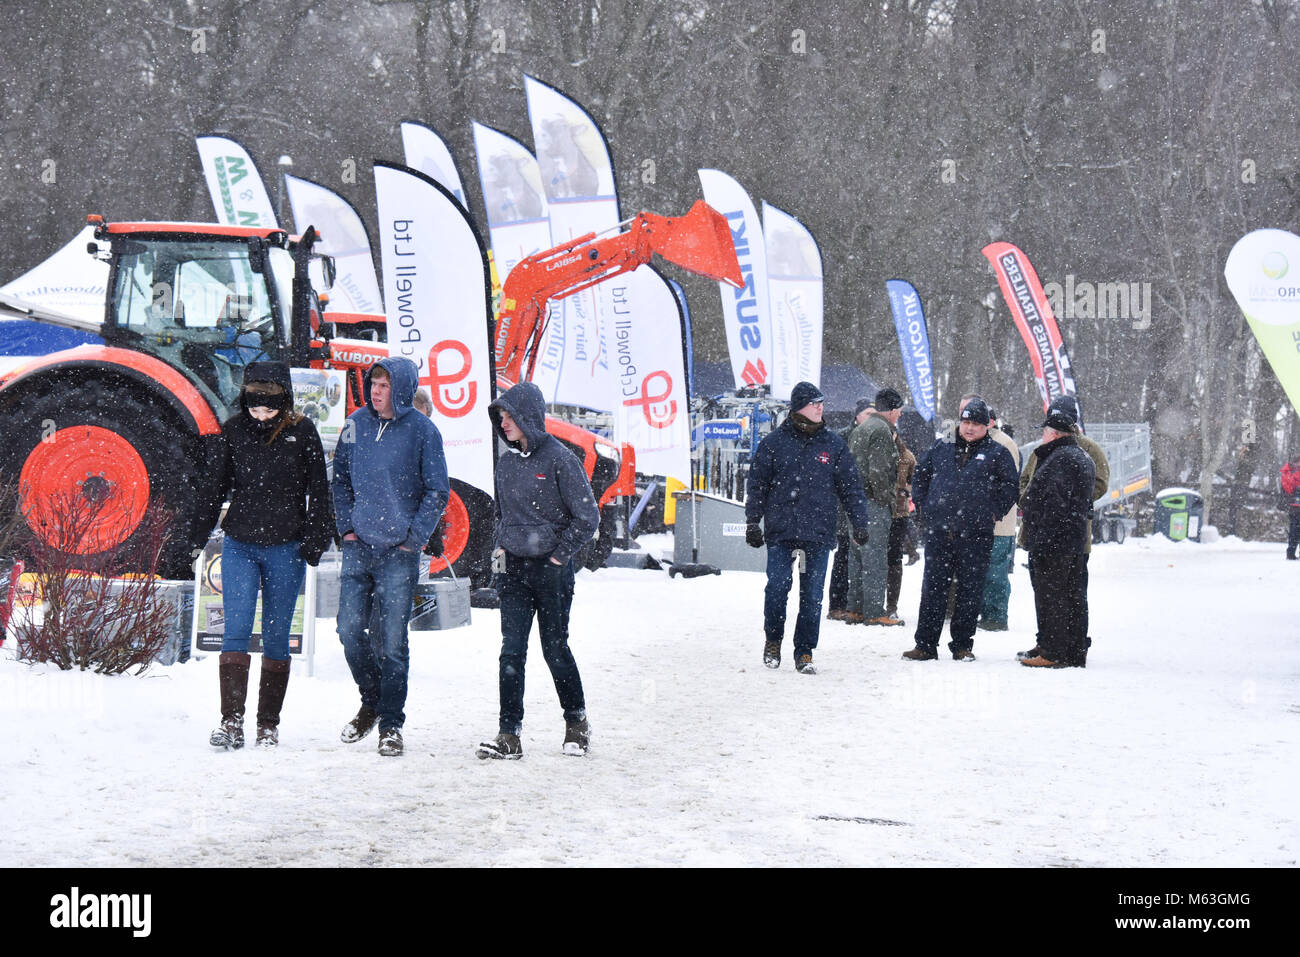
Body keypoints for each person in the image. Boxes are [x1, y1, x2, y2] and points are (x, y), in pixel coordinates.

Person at [202, 361, 333, 750]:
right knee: (236, 630)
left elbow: (320, 491)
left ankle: (268, 724)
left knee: (277, 637)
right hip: (240, 543)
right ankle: (231, 721)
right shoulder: (234, 431)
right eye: (255, 409)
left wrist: (315, 538)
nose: (261, 416)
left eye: (269, 410)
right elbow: (214, 487)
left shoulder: (302, 432)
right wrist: (193, 536)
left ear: (284, 402)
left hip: (286, 547)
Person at [476, 382, 600, 760]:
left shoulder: (561, 459)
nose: (504, 422)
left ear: (528, 416)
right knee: (511, 652)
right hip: (513, 571)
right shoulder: (507, 463)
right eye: (501, 416)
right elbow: (502, 517)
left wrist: (559, 558)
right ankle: (508, 734)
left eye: (509, 415)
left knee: (554, 648)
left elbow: (588, 517)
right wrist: (499, 561)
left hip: (551, 573)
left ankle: (576, 723)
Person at [333, 357, 449, 758]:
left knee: (394, 644)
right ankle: (373, 699)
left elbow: (438, 490)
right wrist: (346, 528)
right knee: (348, 630)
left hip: (399, 552)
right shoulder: (355, 424)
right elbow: (341, 480)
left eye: (384, 385)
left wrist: (414, 538)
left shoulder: (423, 431)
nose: (376, 391)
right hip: (358, 547)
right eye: (374, 384)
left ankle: (390, 724)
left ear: (400, 388)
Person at [745, 381, 871, 674]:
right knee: (777, 589)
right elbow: (757, 485)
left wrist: (860, 522)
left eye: (821, 402)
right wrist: (753, 520)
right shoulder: (774, 443)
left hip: (818, 533)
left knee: (812, 596)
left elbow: (852, 488)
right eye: (814, 403)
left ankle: (804, 652)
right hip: (782, 532)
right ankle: (773, 641)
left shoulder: (834, 445)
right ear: (799, 406)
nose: (820, 407)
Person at [903, 397, 1019, 662]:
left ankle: (962, 646)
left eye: (976, 424)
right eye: (966, 422)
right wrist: (923, 505)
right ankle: (925, 644)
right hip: (940, 531)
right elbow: (921, 474)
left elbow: (1010, 487)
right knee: (933, 588)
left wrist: (993, 511)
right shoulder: (942, 445)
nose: (969, 428)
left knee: (970, 589)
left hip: (976, 533)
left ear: (987, 426)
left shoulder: (997, 452)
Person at [1015, 395, 1109, 663]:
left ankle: (1067, 646)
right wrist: (1029, 496)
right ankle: (1047, 642)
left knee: (1068, 593)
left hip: (1066, 533)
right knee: (1045, 590)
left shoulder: (1085, 450)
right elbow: (1028, 480)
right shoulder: (1044, 451)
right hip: (1052, 531)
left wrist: (1072, 500)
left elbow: (1097, 484)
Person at [847, 388, 905, 626]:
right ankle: (873, 610)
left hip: (856, 501)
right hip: (873, 503)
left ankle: (856, 608)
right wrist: (885, 500)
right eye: (899, 412)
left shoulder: (861, 428)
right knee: (875, 556)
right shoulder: (882, 430)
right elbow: (879, 472)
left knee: (857, 555)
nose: (899, 417)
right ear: (891, 411)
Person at [977, 407, 1021, 631]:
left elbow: (1009, 484)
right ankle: (989, 613)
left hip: (999, 522)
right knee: (989, 570)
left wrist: (996, 510)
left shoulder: (1003, 444)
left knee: (996, 571)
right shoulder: (985, 443)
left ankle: (995, 616)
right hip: (987, 519)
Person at [827, 398, 871, 621]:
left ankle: (857, 604)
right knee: (843, 555)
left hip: (862, 504)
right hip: (844, 505)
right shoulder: (842, 436)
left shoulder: (876, 435)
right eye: (867, 414)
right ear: (857, 416)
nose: (871, 418)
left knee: (860, 558)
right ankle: (837, 604)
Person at [885, 428, 919, 619]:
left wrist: (906, 490)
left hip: (898, 513)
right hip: (877, 511)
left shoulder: (906, 455)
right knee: (873, 559)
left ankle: (891, 605)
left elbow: (917, 480)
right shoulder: (876, 451)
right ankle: (869, 603)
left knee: (894, 559)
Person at [1281, 456, 1300, 560]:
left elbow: (1287, 487)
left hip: (1294, 507)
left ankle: (1291, 553)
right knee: (1294, 531)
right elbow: (1288, 487)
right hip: (1295, 507)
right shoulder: (1290, 473)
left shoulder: (1288, 473)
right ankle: (1291, 553)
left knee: (1294, 531)